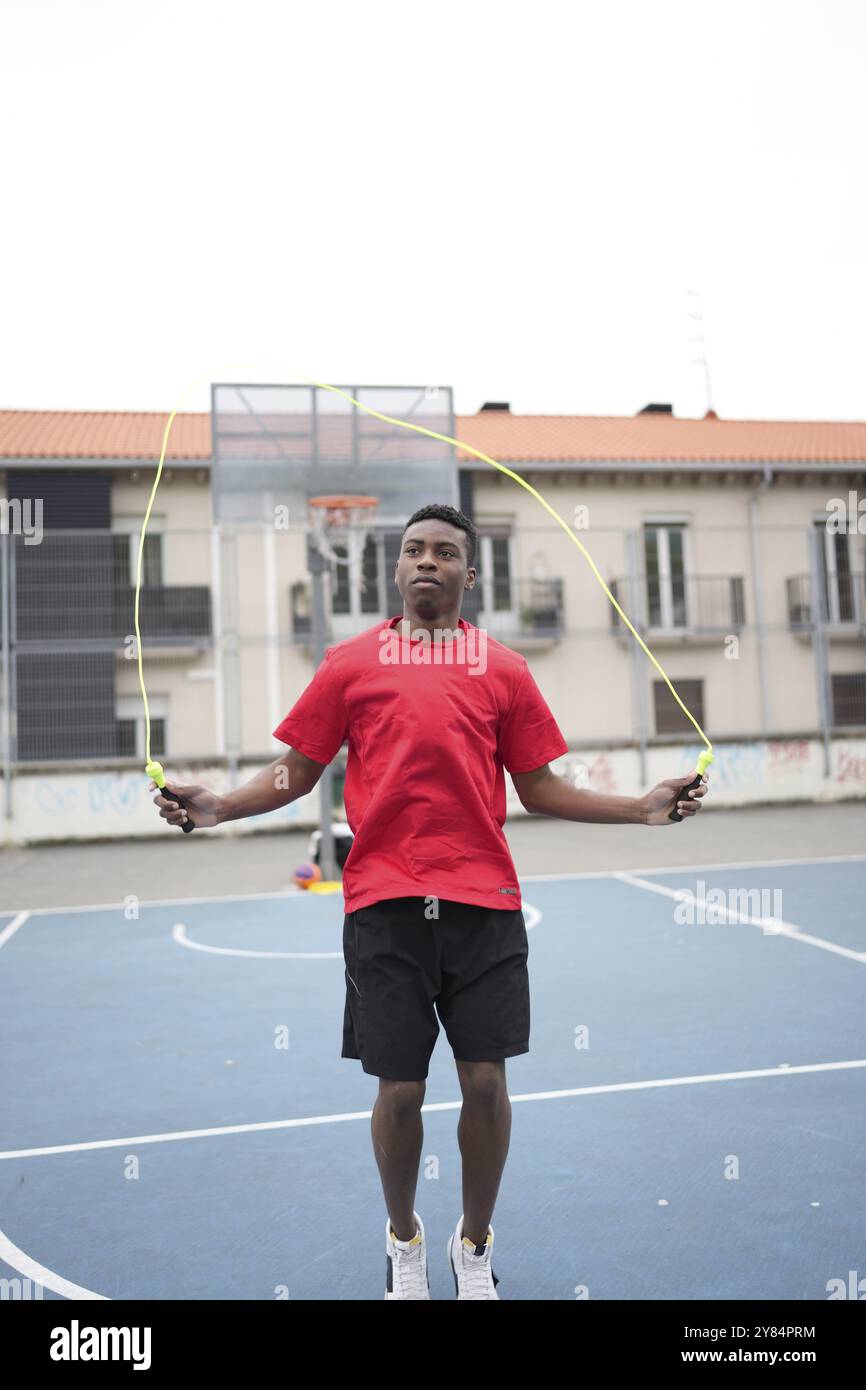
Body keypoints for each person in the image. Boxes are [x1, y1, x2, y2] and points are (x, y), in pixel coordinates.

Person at [150, 502, 709, 1300]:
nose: (426, 561)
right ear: (398, 566)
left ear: (468, 575)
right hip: (383, 904)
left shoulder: (506, 670)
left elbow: (540, 786)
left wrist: (641, 810)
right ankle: (404, 1238)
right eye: (413, 549)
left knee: (486, 1084)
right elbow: (296, 772)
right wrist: (220, 807)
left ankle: (472, 1245)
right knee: (401, 1090)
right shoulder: (350, 664)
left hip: (484, 905)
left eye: (444, 553)